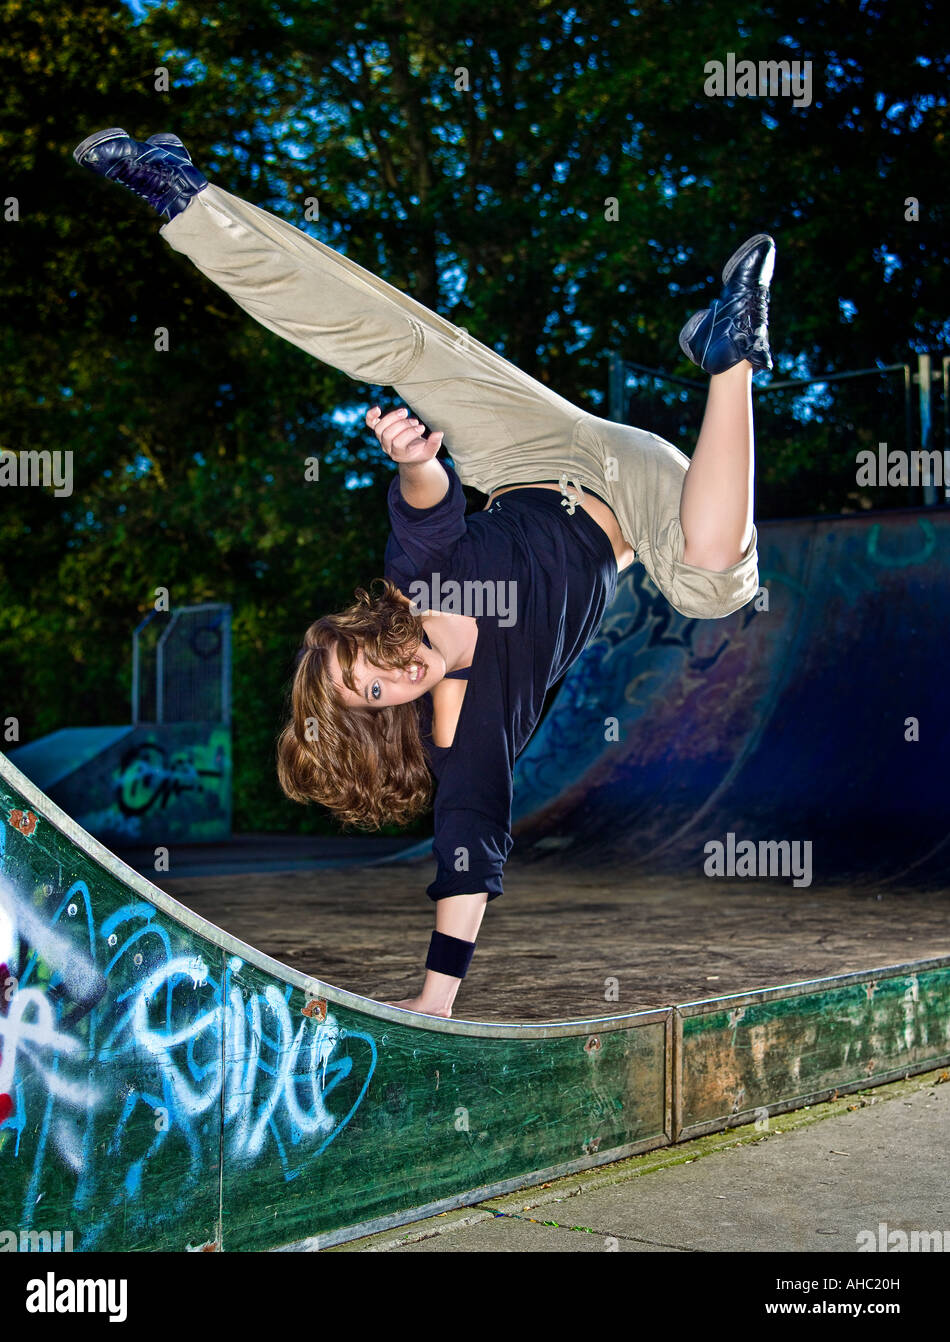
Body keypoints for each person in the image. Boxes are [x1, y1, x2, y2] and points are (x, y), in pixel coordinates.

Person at [73, 127, 773, 1019]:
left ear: (372, 633)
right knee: (714, 584)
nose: (392, 672)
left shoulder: (419, 590)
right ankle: (730, 348)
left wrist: (411, 455)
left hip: (531, 446)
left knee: (399, 346)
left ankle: (181, 194)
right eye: (374, 693)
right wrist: (434, 1001)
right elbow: (467, 848)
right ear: (385, 719)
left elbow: (428, 506)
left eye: (370, 659)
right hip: (632, 493)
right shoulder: (465, 731)